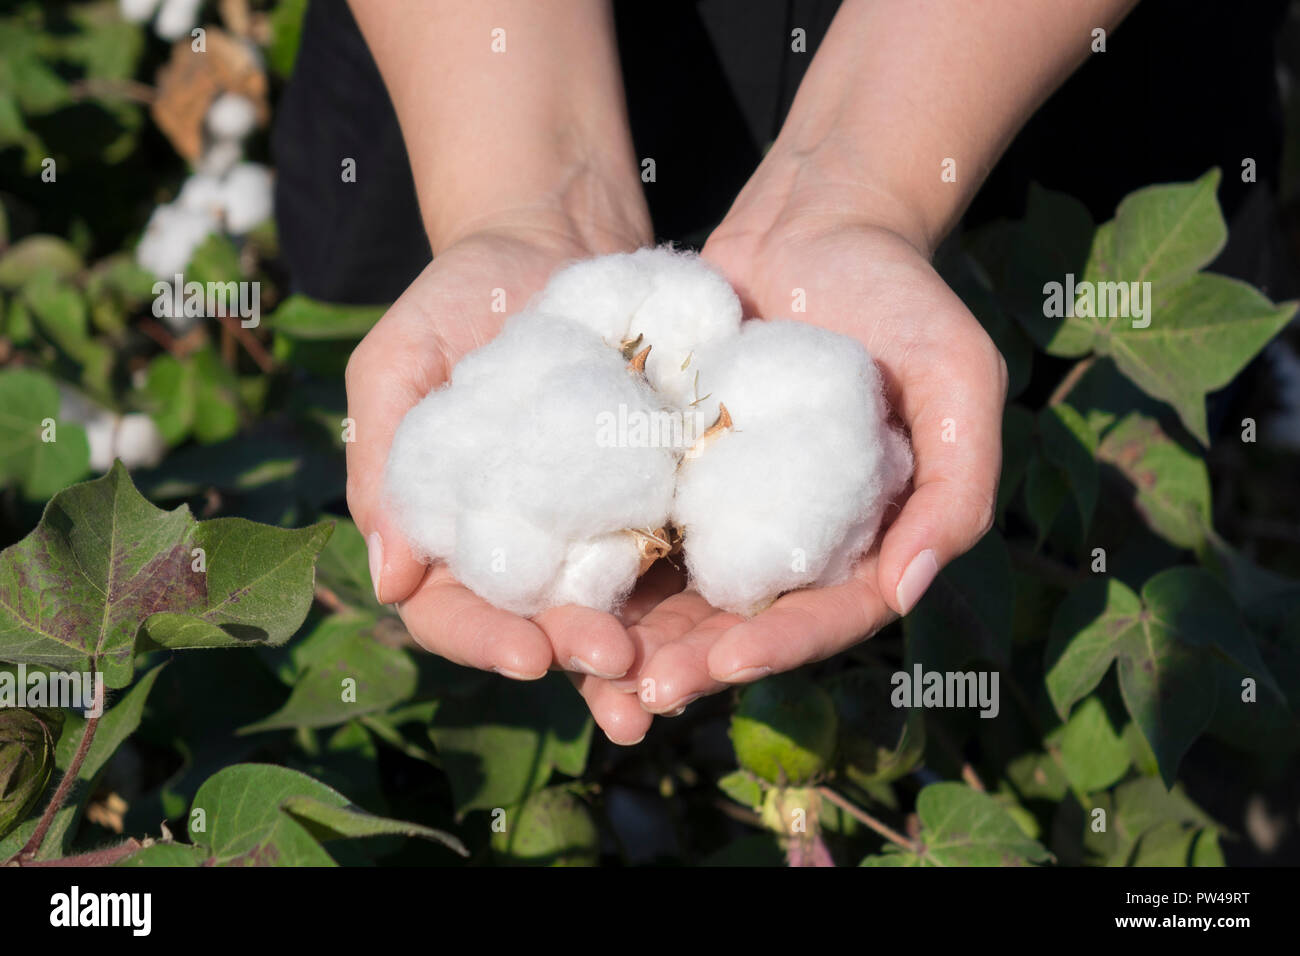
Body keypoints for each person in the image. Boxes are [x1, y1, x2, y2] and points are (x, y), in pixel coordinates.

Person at [313, 0, 1142, 746]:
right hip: (473, 71)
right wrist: (522, 199)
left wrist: (865, 188)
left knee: (1097, 518)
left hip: (992, 72)